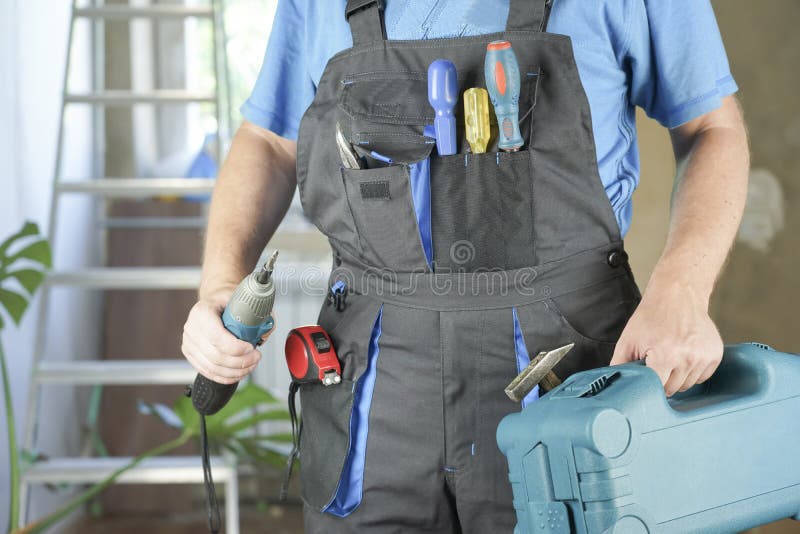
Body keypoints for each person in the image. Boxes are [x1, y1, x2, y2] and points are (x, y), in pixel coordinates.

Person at [182, 1, 749, 532]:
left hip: (569, 367)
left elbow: (711, 128)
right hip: (370, 384)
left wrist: (682, 291)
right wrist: (220, 283)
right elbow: (268, 140)